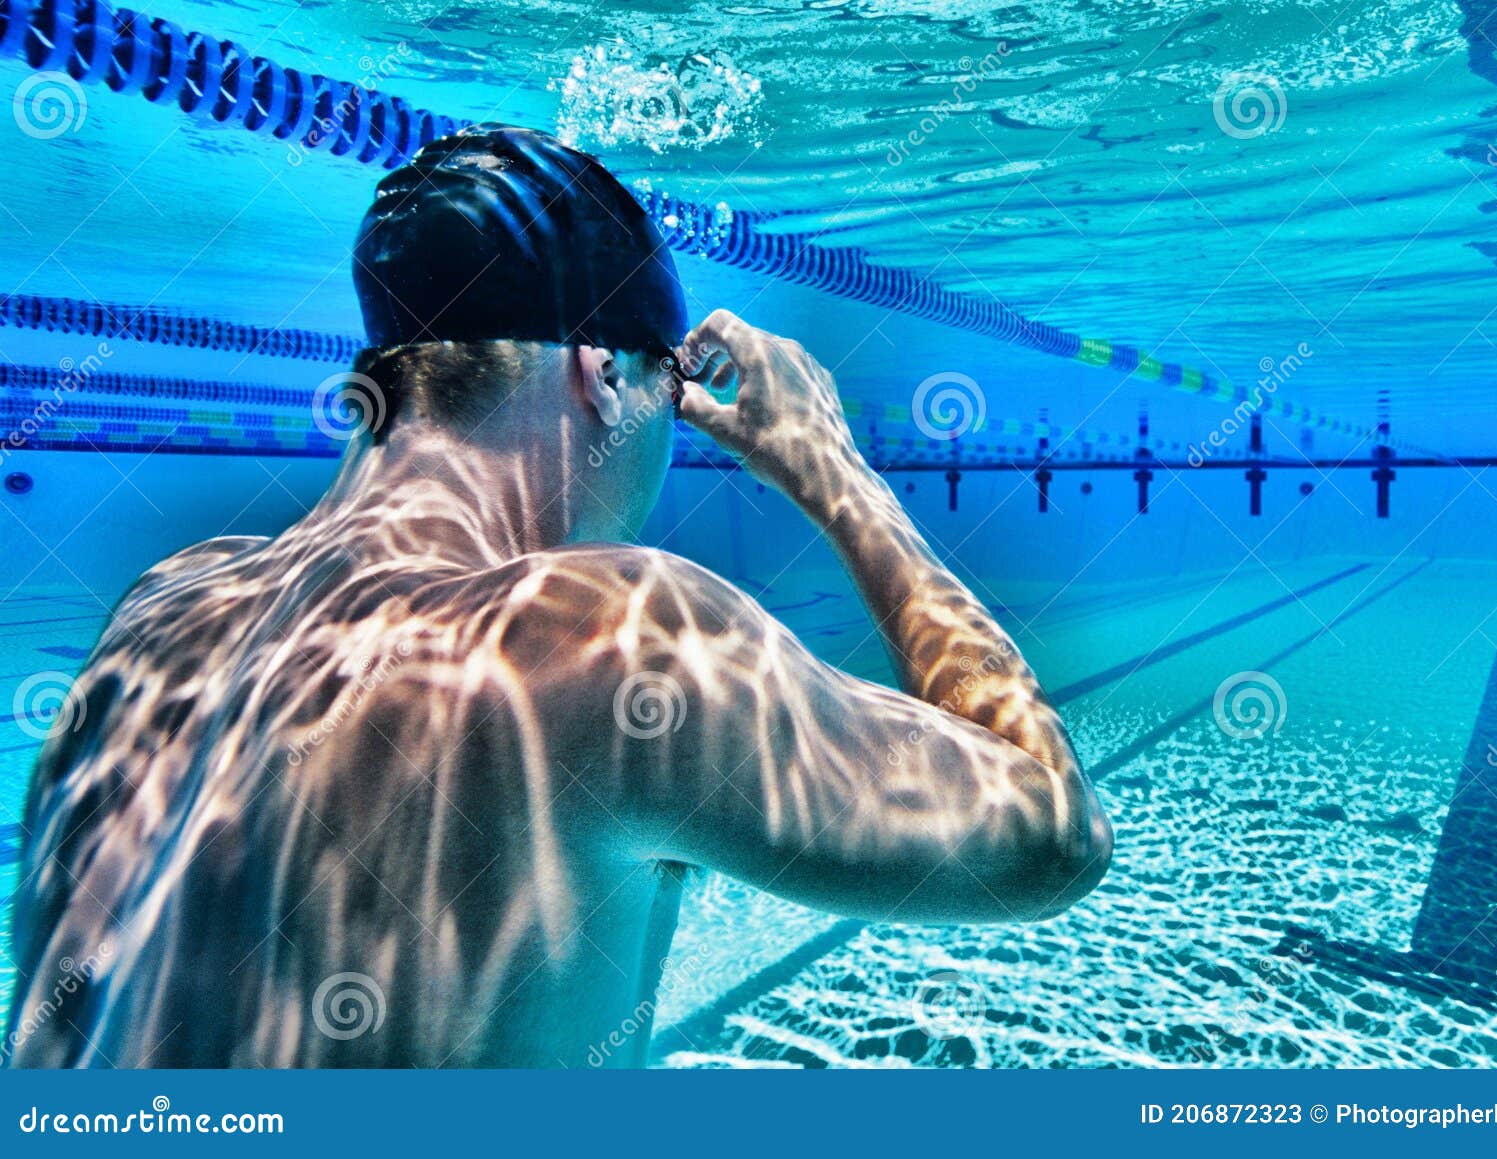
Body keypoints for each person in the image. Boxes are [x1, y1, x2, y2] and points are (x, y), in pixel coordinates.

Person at [4, 125, 1110, 1068]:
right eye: (668, 392)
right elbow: (1050, 832)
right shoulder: (605, 637)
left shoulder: (162, 612)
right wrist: (840, 475)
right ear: (600, 374)